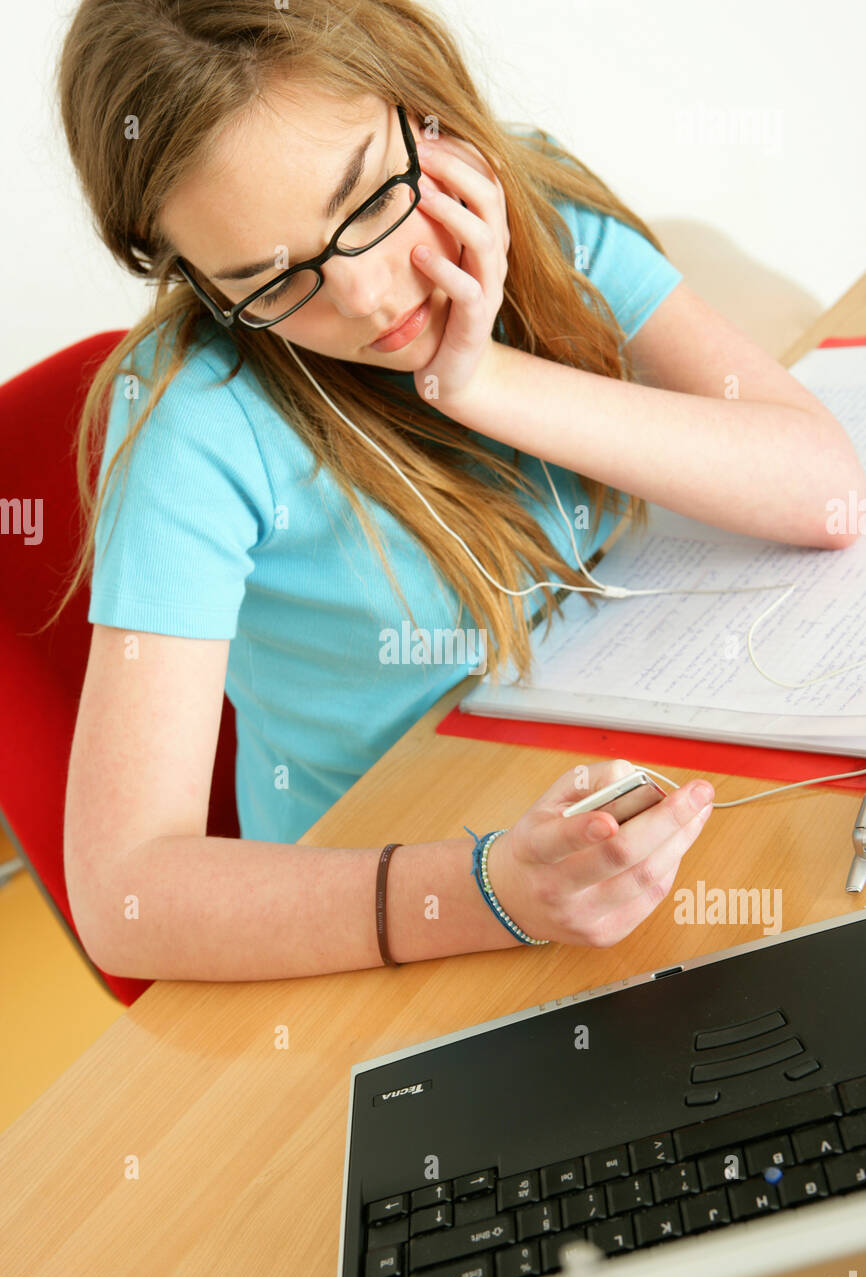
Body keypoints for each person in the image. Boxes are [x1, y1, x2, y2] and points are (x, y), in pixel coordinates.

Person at [55, 0, 859, 983]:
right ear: (193, 276)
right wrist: (488, 890)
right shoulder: (194, 424)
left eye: (365, 201)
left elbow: (822, 491)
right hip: (406, 902)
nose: (367, 298)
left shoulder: (531, 198)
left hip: (617, 782)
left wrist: (478, 381)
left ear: (418, 103)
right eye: (266, 280)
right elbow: (125, 895)